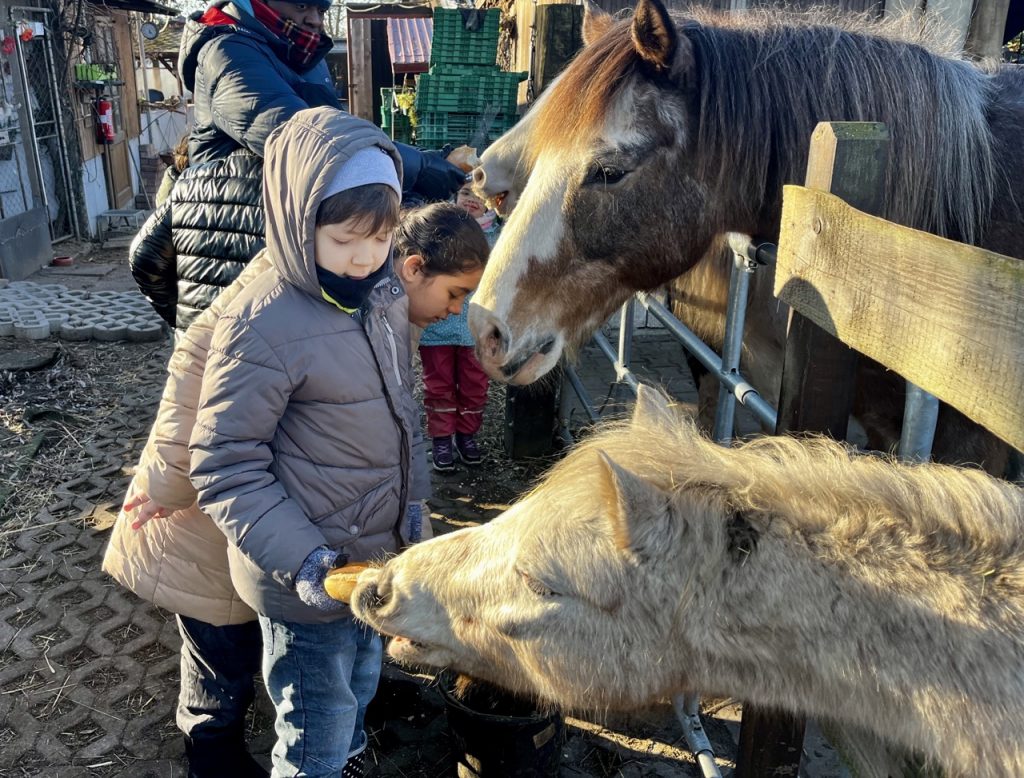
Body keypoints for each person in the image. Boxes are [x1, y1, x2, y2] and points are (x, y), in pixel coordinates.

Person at [185, 106, 452, 778]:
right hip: (303, 581)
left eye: (381, 237)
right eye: (344, 239)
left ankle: (349, 758)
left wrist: (413, 508)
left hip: (372, 559)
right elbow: (225, 466)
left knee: (359, 683)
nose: (365, 257)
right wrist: (305, 560)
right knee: (315, 726)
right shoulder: (262, 321)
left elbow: (404, 413)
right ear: (296, 218)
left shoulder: (382, 297)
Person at [179, 0, 465, 200]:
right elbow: (301, 137)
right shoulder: (228, 51)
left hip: (287, 226)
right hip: (232, 236)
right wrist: (418, 167)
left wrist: (425, 157)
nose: (315, 19)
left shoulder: (302, 58)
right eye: (302, 5)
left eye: (321, 9)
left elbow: (340, 130)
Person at [129, 147, 264, 338]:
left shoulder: (190, 180)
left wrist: (183, 319)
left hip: (196, 344)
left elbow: (143, 259)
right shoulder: (290, 186)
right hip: (260, 342)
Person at [417, 184, 501, 471]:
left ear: (492, 202)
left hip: (476, 331)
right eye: (466, 192)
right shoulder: (439, 231)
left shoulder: (499, 238)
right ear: (455, 195)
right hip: (438, 327)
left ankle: (467, 435)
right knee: (438, 385)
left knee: (474, 385)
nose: (472, 200)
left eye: (480, 195)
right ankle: (442, 438)